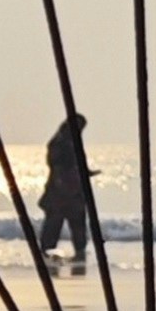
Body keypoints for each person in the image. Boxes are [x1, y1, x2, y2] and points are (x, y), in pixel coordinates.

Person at [33, 111, 97, 276]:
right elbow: (57, 166)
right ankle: (48, 256)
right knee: (54, 225)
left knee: (77, 226)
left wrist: (86, 173)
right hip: (60, 192)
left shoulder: (72, 143)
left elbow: (77, 165)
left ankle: (78, 253)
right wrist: (64, 181)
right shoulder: (60, 143)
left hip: (74, 192)